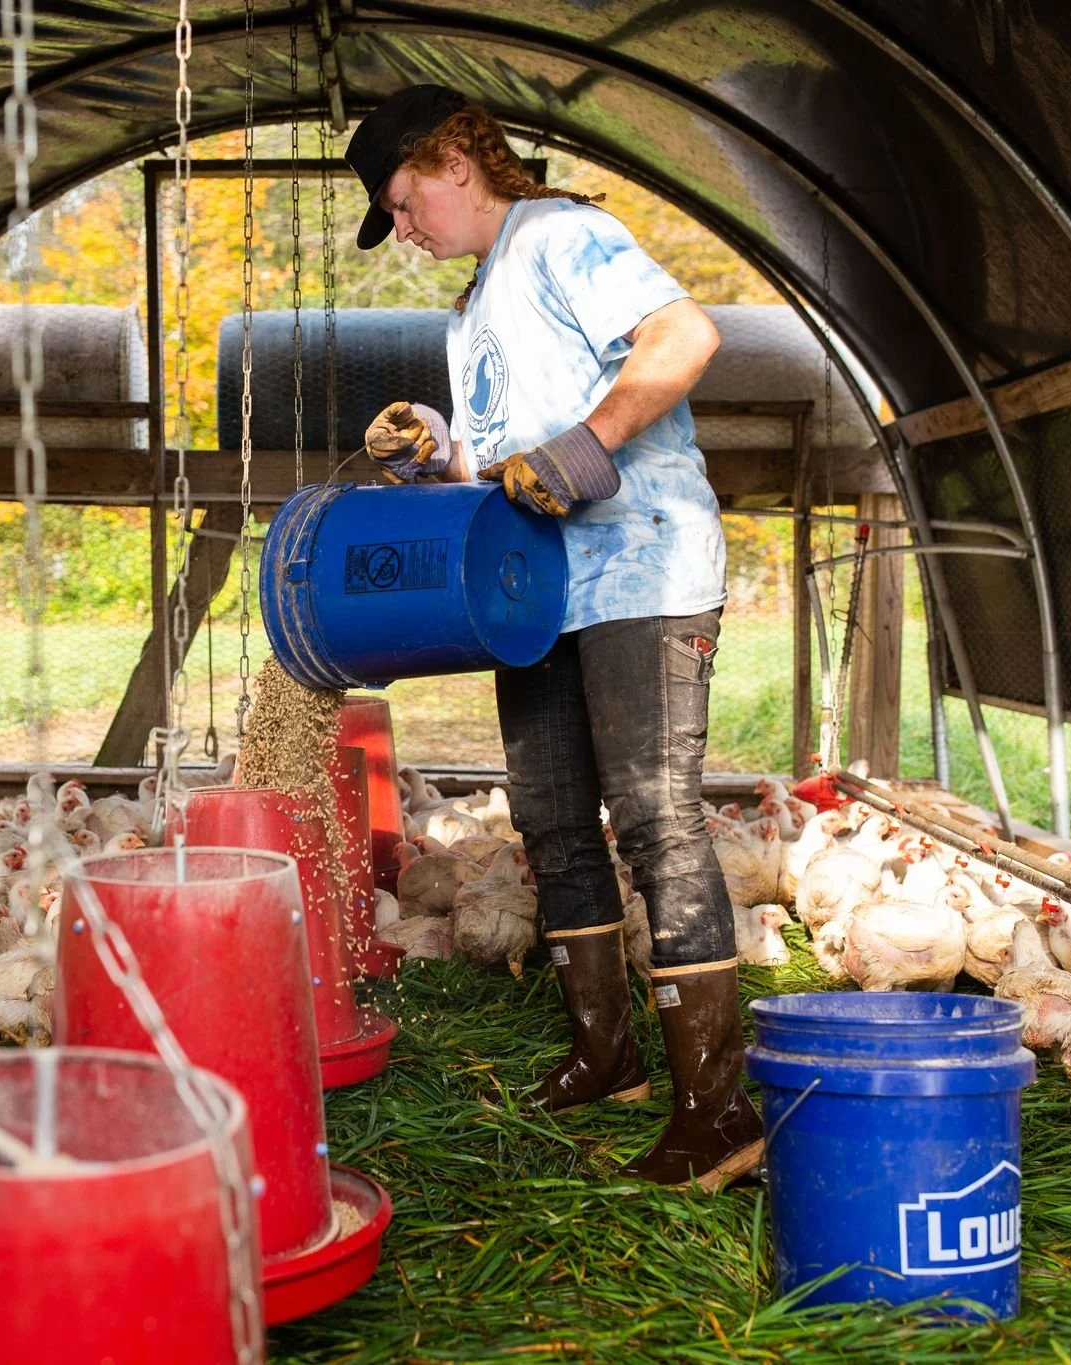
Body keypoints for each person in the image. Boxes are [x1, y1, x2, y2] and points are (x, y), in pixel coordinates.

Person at [346, 84, 761, 1191]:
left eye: (399, 202)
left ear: (451, 159)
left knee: (656, 823)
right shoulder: (473, 303)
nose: (402, 231)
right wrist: (437, 454)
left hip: (640, 574)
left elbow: (684, 334)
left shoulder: (562, 234)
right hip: (542, 592)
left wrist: (591, 443)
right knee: (551, 825)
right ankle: (604, 1053)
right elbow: (509, 463)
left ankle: (715, 1111)